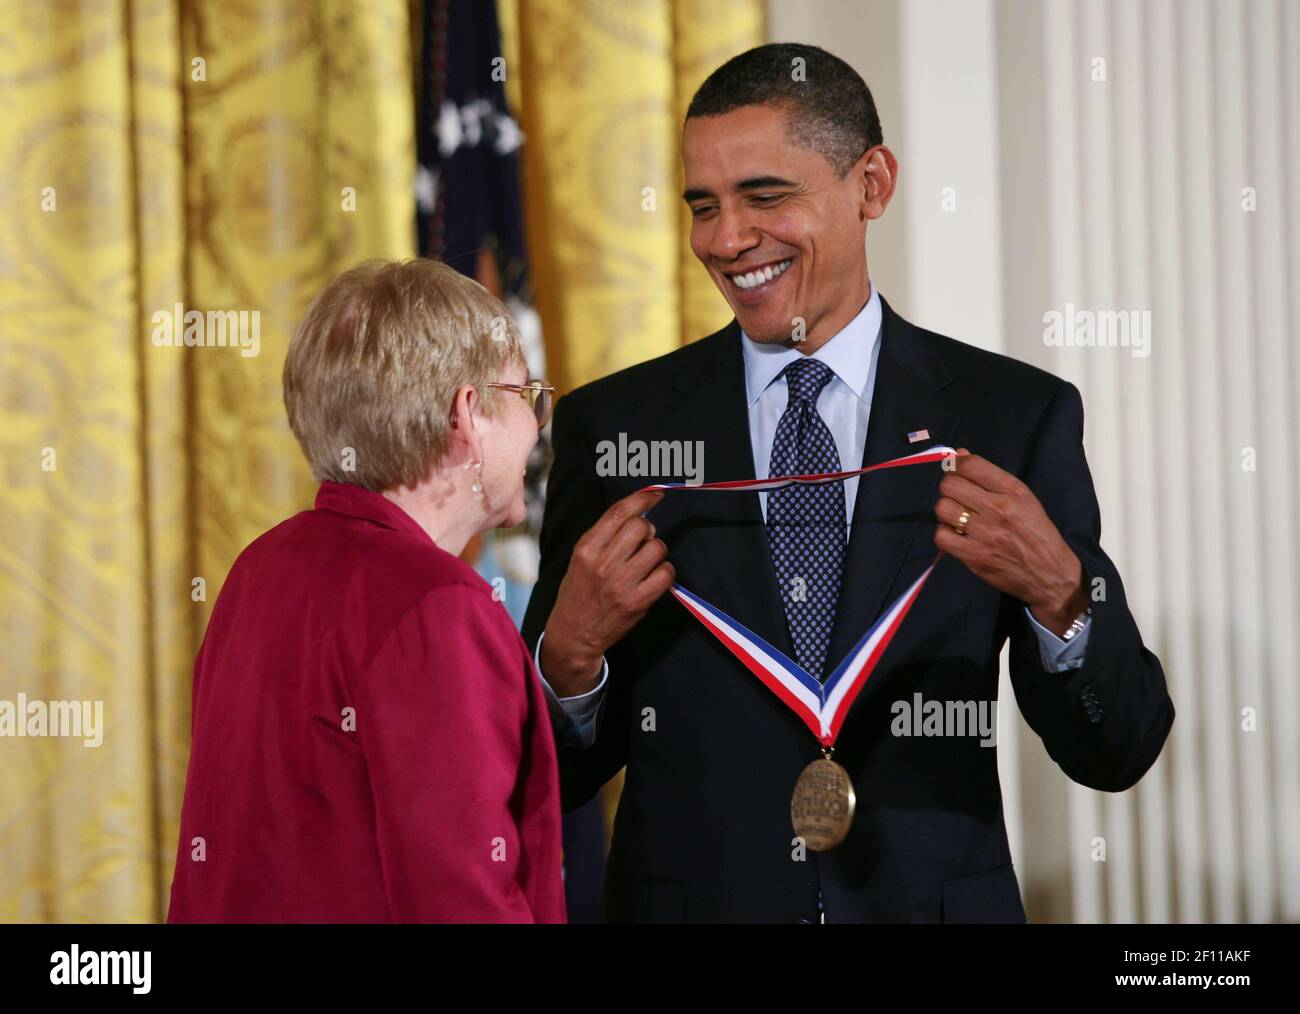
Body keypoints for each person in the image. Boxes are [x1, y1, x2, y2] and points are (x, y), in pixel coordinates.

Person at [521, 43, 1174, 923]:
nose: (725, 240)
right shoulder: (617, 431)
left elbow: (1118, 747)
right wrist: (568, 658)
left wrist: (1064, 599)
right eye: (703, 206)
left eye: (764, 196)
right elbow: (539, 781)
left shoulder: (1011, 417)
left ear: (872, 185)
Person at [168, 258, 564, 922]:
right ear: (468, 414)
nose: (537, 427)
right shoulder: (439, 608)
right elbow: (461, 903)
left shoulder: (260, 569)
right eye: (526, 397)